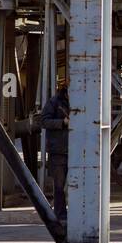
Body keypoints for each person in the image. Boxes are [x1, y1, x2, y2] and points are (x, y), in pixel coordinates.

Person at [41, 81, 70, 225]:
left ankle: (69, 213)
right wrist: (62, 122)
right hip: (58, 150)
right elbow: (44, 121)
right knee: (59, 185)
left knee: (74, 184)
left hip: (73, 150)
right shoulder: (54, 102)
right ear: (66, 91)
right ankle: (60, 214)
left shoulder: (79, 103)